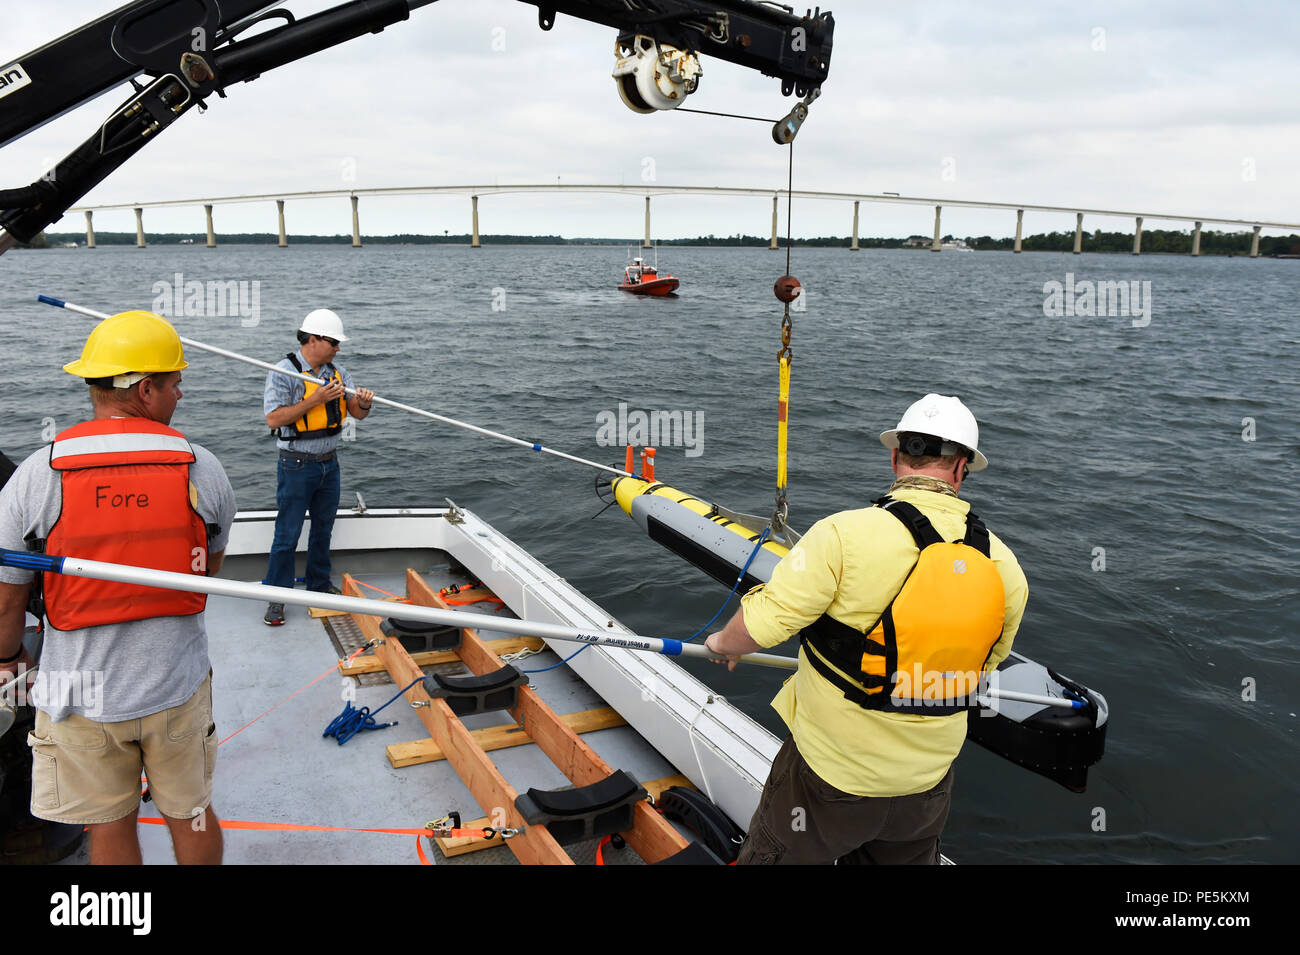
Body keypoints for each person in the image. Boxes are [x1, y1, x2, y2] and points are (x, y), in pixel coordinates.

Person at [705, 394, 1029, 865]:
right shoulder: (1006, 568)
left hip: (830, 780)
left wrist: (721, 643)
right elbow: (986, 660)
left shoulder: (843, 535)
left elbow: (759, 625)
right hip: (926, 786)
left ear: (896, 457)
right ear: (961, 469)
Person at [0, 310, 237, 864]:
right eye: (175, 383)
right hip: (175, 685)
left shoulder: (38, 473)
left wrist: (8, 659)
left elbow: (9, 597)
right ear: (147, 389)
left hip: (81, 696)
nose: (181, 393)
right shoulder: (203, 468)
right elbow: (209, 571)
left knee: (108, 825)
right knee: (192, 814)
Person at [262, 309, 373, 625]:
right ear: (314, 339)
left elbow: (357, 413)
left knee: (323, 529)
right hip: (296, 465)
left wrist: (363, 402)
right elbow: (274, 418)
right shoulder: (284, 372)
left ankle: (319, 586)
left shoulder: (339, 373)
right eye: (334, 342)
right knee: (287, 534)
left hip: (329, 465)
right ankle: (277, 597)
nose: (338, 348)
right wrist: (316, 399)